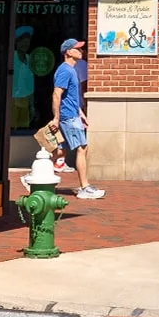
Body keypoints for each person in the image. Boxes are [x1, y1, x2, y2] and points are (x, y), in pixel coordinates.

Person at [52, 36, 103, 200]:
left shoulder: (71, 70)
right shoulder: (65, 70)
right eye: (78, 48)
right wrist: (56, 118)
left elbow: (71, 97)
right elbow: (57, 95)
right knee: (82, 148)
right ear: (68, 52)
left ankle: (34, 177)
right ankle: (85, 187)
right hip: (67, 117)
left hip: (73, 115)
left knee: (60, 150)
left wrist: (81, 114)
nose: (82, 51)